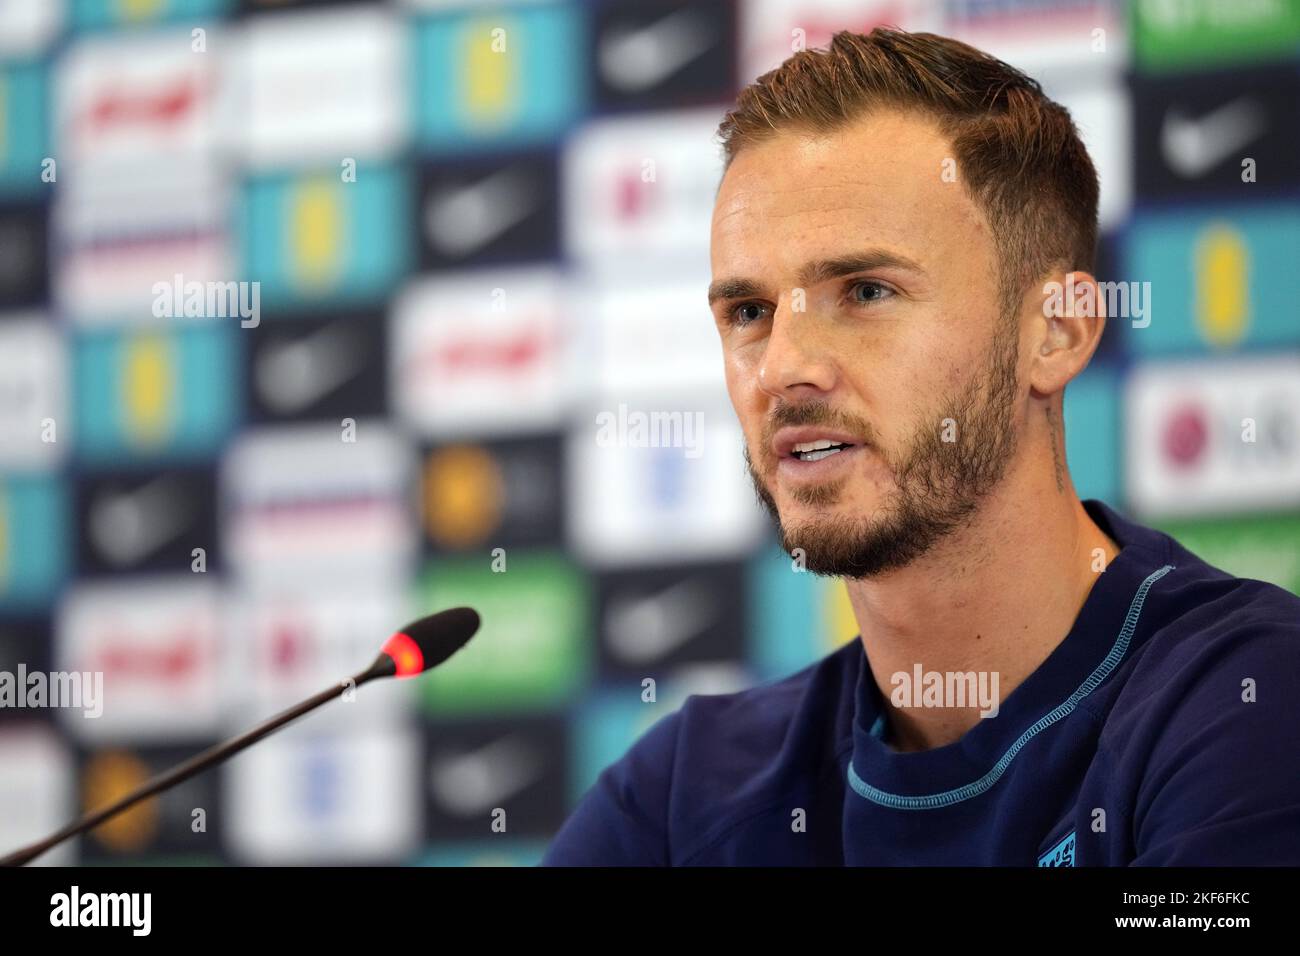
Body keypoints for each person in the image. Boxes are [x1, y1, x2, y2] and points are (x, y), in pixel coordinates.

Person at [542, 28, 1300, 865]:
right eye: (750, 312)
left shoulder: (1248, 699)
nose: (785, 368)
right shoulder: (682, 795)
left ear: (1057, 330)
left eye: (865, 291)